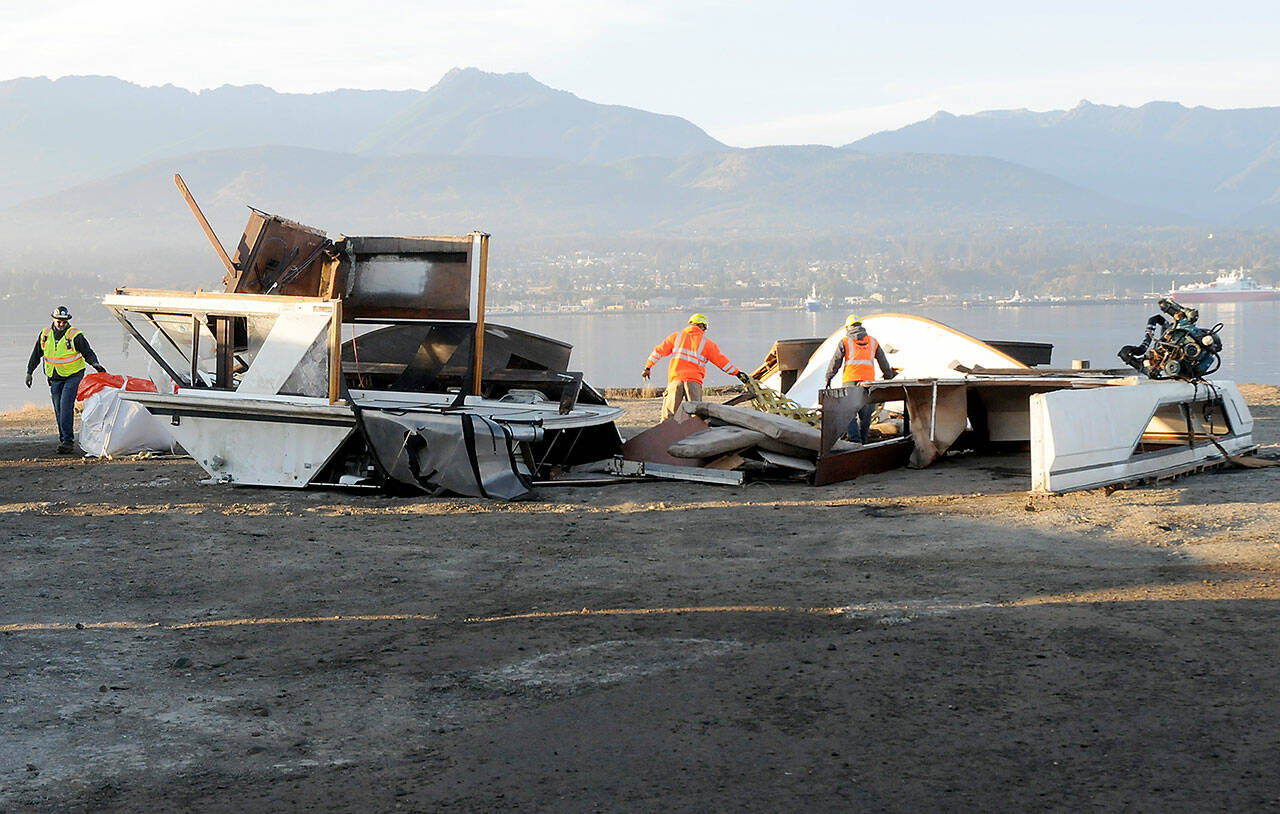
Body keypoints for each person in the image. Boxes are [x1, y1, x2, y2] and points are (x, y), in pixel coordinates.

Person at [25, 305, 107, 454]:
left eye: (64, 321)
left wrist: (96, 364)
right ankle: (64, 439)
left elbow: (87, 352)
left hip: (73, 375)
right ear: (54, 320)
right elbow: (36, 354)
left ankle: (68, 442)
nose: (61, 324)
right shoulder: (45, 335)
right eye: (59, 321)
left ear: (67, 320)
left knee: (66, 406)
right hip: (55, 377)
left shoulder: (74, 335)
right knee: (58, 409)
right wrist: (29, 372)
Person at [643, 313, 749, 421]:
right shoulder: (707, 343)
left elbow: (658, 352)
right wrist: (737, 373)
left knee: (668, 415)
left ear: (690, 324)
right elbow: (722, 361)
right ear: (703, 326)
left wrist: (648, 367)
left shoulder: (676, 337)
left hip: (676, 380)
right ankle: (695, 436)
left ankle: (664, 436)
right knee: (696, 417)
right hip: (694, 382)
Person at [824, 314, 895, 443]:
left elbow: (835, 362)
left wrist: (828, 377)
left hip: (850, 382)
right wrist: (887, 376)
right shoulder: (873, 341)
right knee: (866, 415)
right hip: (868, 383)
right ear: (861, 326)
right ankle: (864, 441)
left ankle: (855, 441)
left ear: (848, 328)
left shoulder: (845, 341)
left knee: (848, 413)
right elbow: (883, 361)